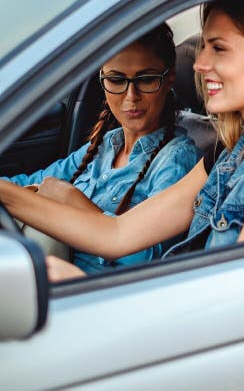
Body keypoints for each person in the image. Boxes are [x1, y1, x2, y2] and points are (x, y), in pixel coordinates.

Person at [0, 0, 244, 281]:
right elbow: (117, 234)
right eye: (205, 48)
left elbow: (230, 305)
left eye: (219, 48)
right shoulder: (229, 155)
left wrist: (86, 287)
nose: (198, 64)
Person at [1, 24, 200, 273]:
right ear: (102, 81)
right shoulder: (106, 145)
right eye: (116, 80)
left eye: (146, 79)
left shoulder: (176, 160)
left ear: (169, 79)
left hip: (94, 293)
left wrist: (76, 202)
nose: (131, 96)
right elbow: (28, 182)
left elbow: (152, 260)